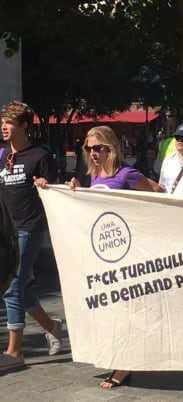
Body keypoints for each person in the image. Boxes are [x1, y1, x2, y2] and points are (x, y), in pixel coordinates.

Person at [61, 125, 162, 388]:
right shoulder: (94, 177)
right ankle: (119, 358)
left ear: (111, 148)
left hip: (127, 252)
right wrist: (75, 189)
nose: (93, 153)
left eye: (98, 148)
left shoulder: (127, 174)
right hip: (104, 254)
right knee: (110, 310)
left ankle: (124, 366)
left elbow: (159, 193)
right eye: (88, 148)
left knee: (125, 310)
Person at [0, 101, 63, 372]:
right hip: (7, 230)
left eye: (9, 122)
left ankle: (14, 353)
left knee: (12, 287)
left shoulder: (39, 156)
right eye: (2, 121)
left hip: (29, 228)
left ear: (24, 126)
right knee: (18, 287)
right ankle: (52, 326)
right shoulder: (2, 155)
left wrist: (45, 185)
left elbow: (56, 192)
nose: (3, 126)